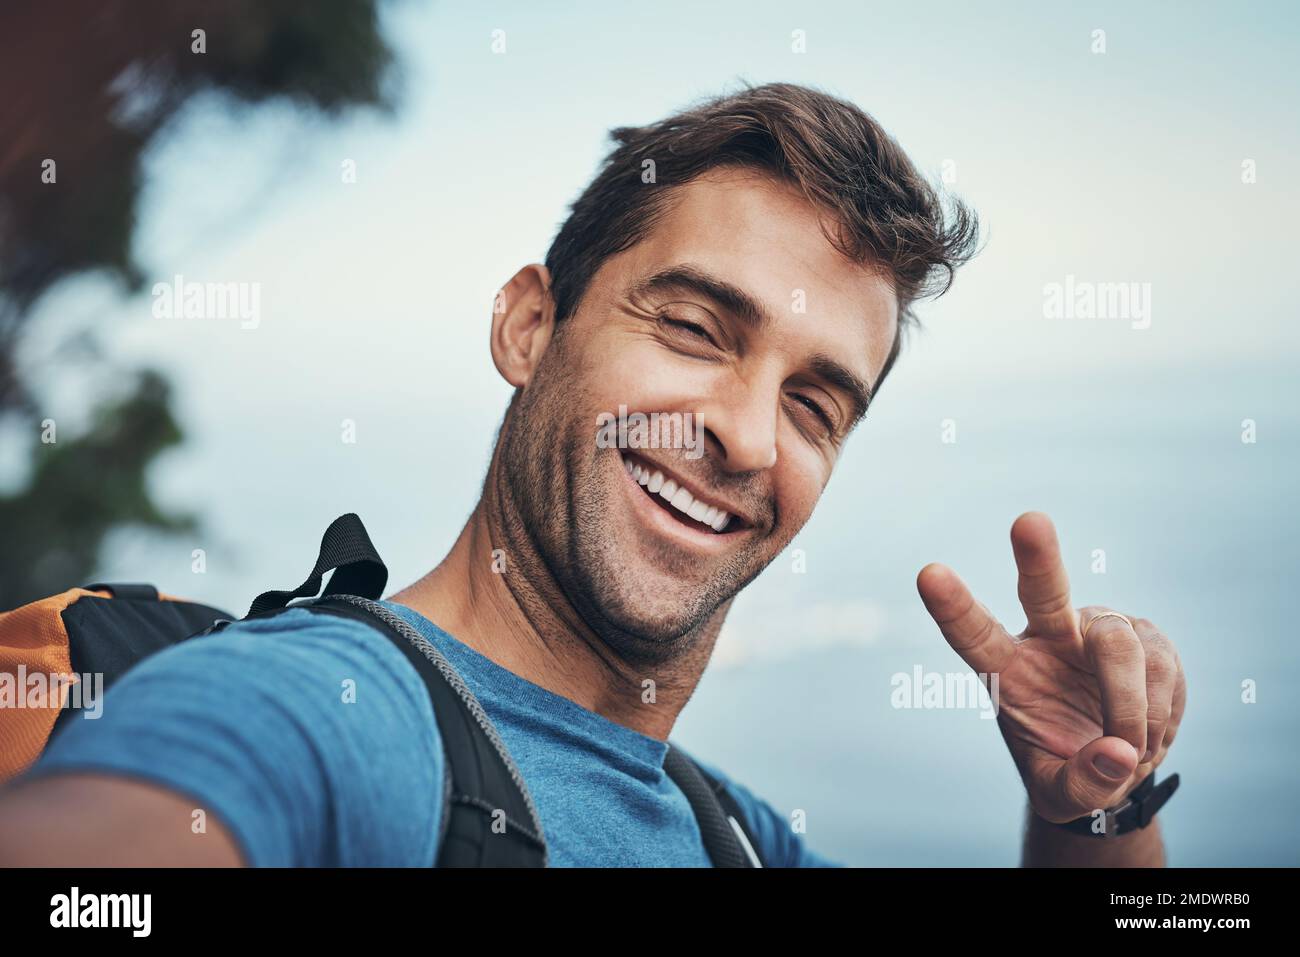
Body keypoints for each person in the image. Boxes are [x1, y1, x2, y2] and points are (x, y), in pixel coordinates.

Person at [0, 82, 1185, 866]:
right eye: (693, 328)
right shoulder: (330, 715)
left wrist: (1090, 804)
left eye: (813, 402)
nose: (747, 437)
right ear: (527, 326)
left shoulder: (732, 835)